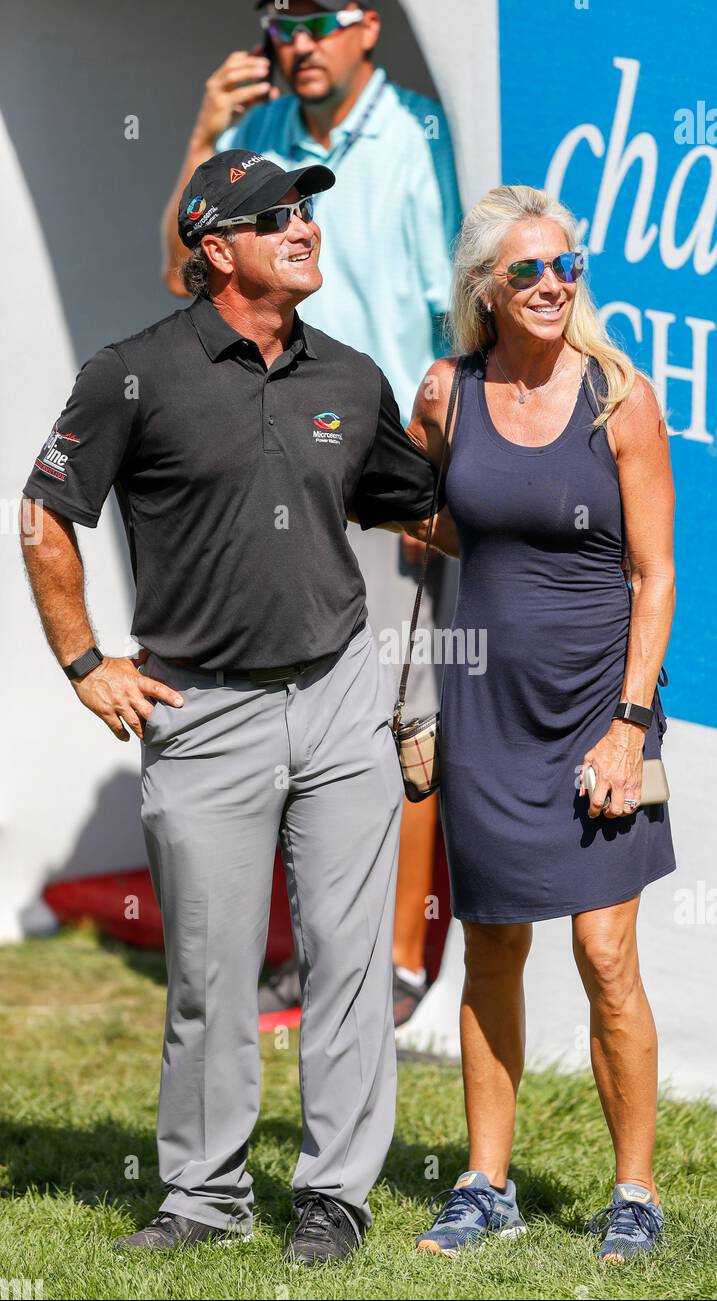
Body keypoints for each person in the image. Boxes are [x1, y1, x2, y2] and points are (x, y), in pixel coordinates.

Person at [20, 151, 443, 1266]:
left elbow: (426, 510)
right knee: (208, 975)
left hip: (340, 694)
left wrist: (531, 462)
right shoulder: (130, 374)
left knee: (346, 960)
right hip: (200, 711)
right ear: (216, 247)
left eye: (307, 212)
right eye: (278, 216)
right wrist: (84, 663)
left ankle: (335, 1198)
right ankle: (203, 1197)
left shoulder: (351, 379)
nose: (303, 227)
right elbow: (44, 515)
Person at [161, 0, 462, 1026]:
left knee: (397, 719)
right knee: (283, 724)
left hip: (377, 477)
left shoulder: (420, 134)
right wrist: (204, 135)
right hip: (262, 476)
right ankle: (321, 958)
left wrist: (426, 479)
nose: (298, 41)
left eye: (320, 20)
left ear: (369, 26)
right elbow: (177, 274)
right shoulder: (252, 139)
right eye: (278, 23)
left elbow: (450, 313)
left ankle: (399, 963)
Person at [404, 185, 677, 1262]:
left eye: (566, 264)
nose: (554, 282)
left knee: (605, 951)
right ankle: (484, 1183)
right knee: (491, 947)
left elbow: (654, 578)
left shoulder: (620, 400)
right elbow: (430, 528)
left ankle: (634, 1193)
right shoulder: (445, 394)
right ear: (485, 288)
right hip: (483, 706)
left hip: (599, 708)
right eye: (529, 269)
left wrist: (627, 724)